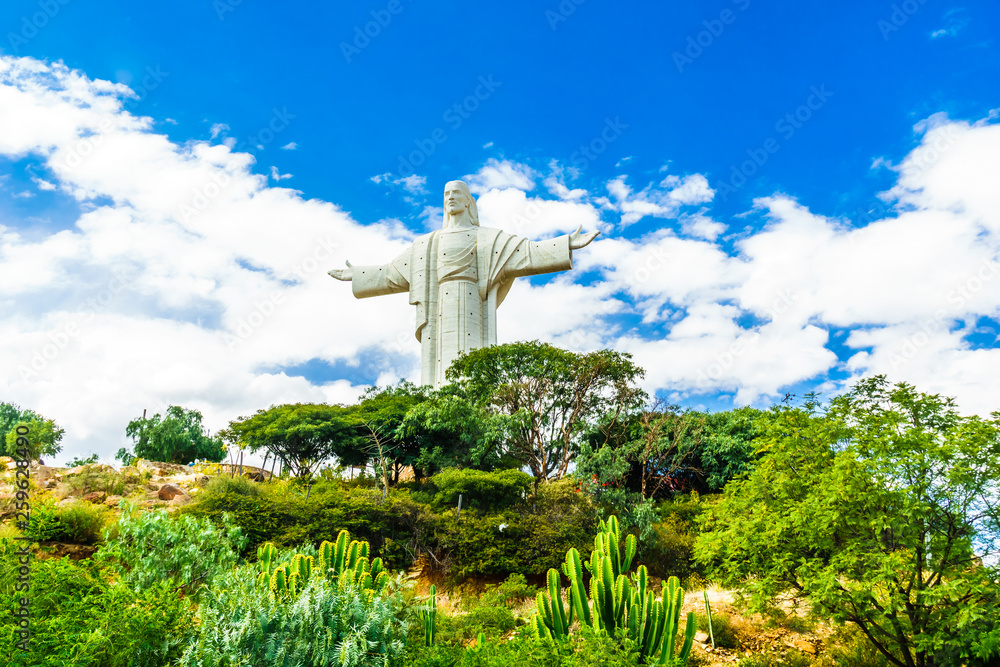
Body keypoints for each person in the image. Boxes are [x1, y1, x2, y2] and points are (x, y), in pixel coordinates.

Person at [329, 180, 599, 387]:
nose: (450, 198)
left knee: (474, 374)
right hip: (439, 309)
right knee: (438, 378)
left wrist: (566, 244)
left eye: (456, 193)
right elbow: (392, 273)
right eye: (446, 194)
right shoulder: (426, 243)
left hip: (472, 299)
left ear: (469, 202)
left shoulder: (487, 238)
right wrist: (359, 274)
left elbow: (526, 252)